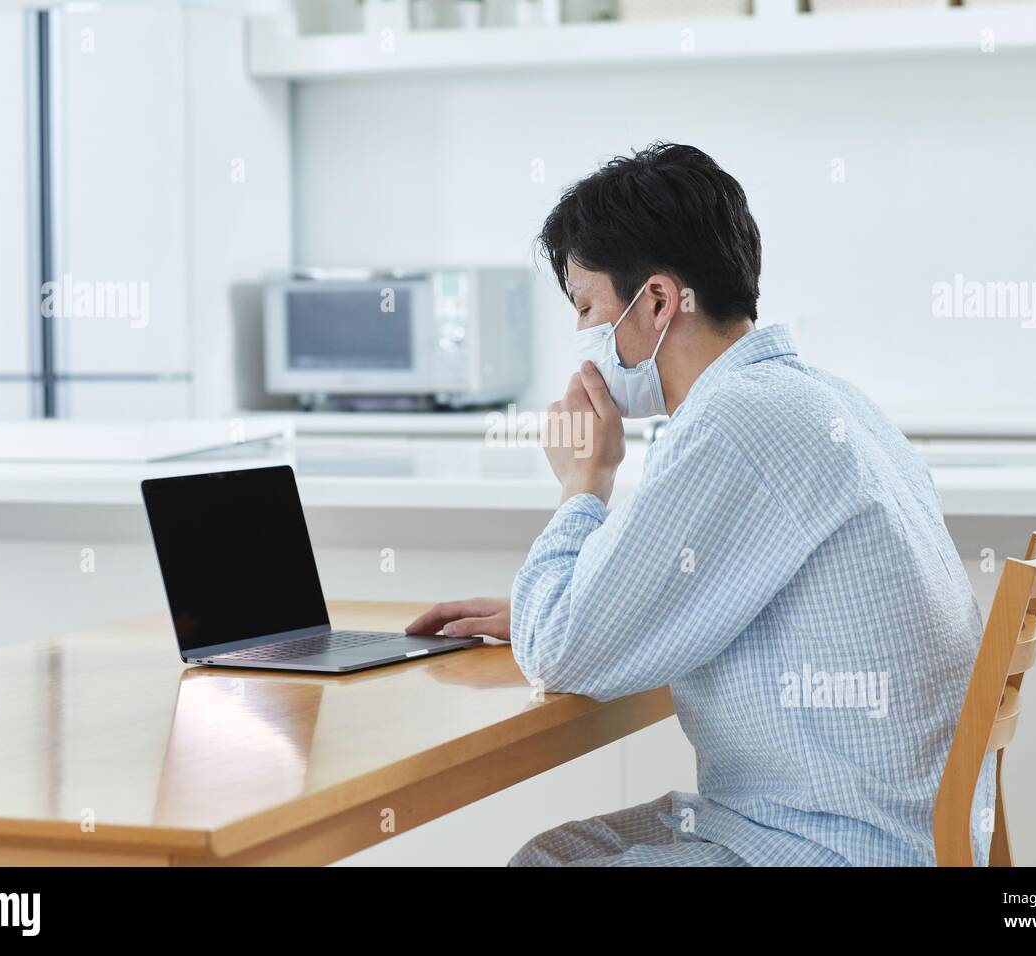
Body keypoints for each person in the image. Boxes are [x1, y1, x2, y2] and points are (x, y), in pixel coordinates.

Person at [406, 143, 992, 867]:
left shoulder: (736, 423)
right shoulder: (825, 398)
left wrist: (584, 481)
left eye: (587, 308)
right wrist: (552, 605)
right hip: (873, 826)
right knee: (550, 854)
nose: (583, 343)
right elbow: (645, 606)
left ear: (656, 301)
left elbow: (563, 652)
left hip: (831, 844)